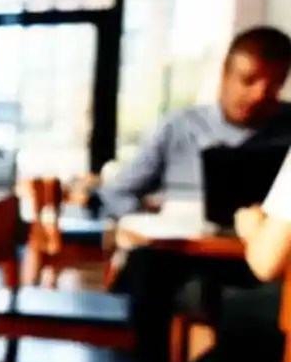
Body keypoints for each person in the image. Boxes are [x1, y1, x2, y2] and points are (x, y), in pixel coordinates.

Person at [100, 26, 291, 218]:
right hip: (179, 243)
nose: (258, 96)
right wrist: (146, 224)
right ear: (225, 74)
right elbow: (117, 194)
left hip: (268, 243)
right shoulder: (176, 127)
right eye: (247, 81)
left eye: (273, 87)